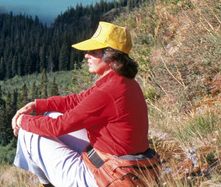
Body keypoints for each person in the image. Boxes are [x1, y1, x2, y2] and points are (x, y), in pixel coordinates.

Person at [12, 21, 160, 187]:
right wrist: (37, 105)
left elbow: (58, 127)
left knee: (28, 132)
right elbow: (77, 101)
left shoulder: (108, 92)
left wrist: (21, 121)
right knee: (50, 115)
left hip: (110, 177)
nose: (86, 55)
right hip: (125, 168)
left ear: (111, 58)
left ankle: (46, 184)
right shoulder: (122, 82)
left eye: (93, 52)